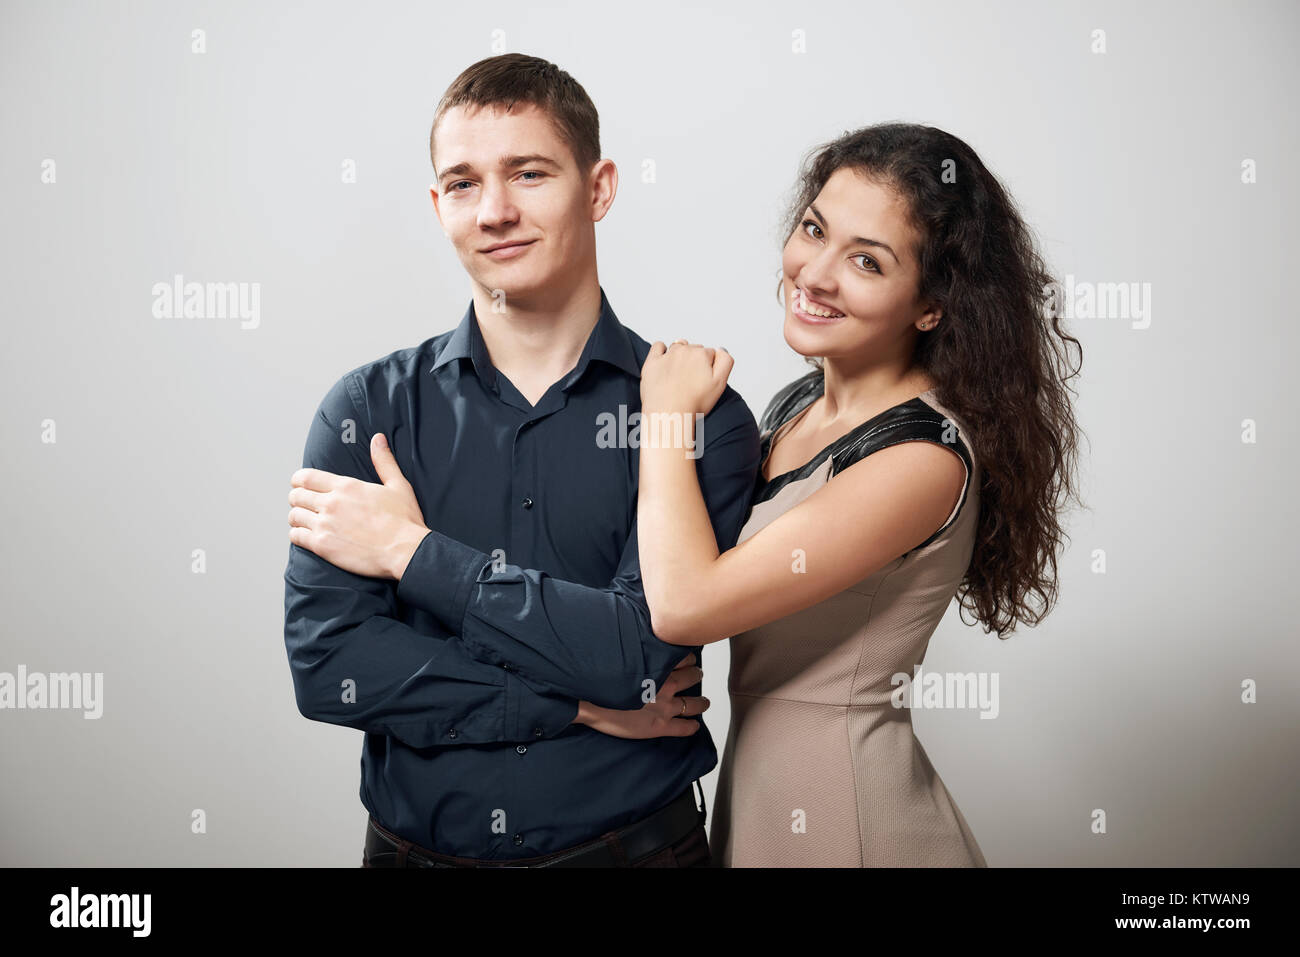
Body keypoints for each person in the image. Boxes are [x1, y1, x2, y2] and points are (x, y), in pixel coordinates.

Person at [282, 53, 760, 867]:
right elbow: (332, 667)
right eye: (463, 183)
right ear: (439, 206)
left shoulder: (694, 416)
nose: (495, 210)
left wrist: (410, 553)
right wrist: (577, 706)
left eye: (529, 173)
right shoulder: (368, 412)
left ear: (600, 187)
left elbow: (636, 657)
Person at [608, 123, 1086, 866]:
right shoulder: (797, 405)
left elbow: (687, 599)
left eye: (866, 260)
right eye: (814, 230)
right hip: (765, 791)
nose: (816, 273)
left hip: (848, 813)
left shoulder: (922, 460)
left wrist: (665, 420)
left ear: (931, 304)